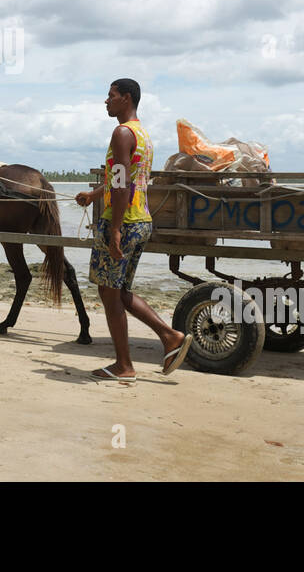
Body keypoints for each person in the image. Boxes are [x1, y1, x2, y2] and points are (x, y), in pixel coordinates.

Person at [76, 79, 190, 384]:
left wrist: (114, 229)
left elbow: (124, 182)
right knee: (118, 291)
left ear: (126, 98)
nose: (106, 101)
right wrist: (94, 195)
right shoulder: (142, 134)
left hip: (123, 222)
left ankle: (125, 365)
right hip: (141, 220)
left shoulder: (121, 132)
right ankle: (169, 337)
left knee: (109, 294)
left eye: (111, 96)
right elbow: (122, 178)